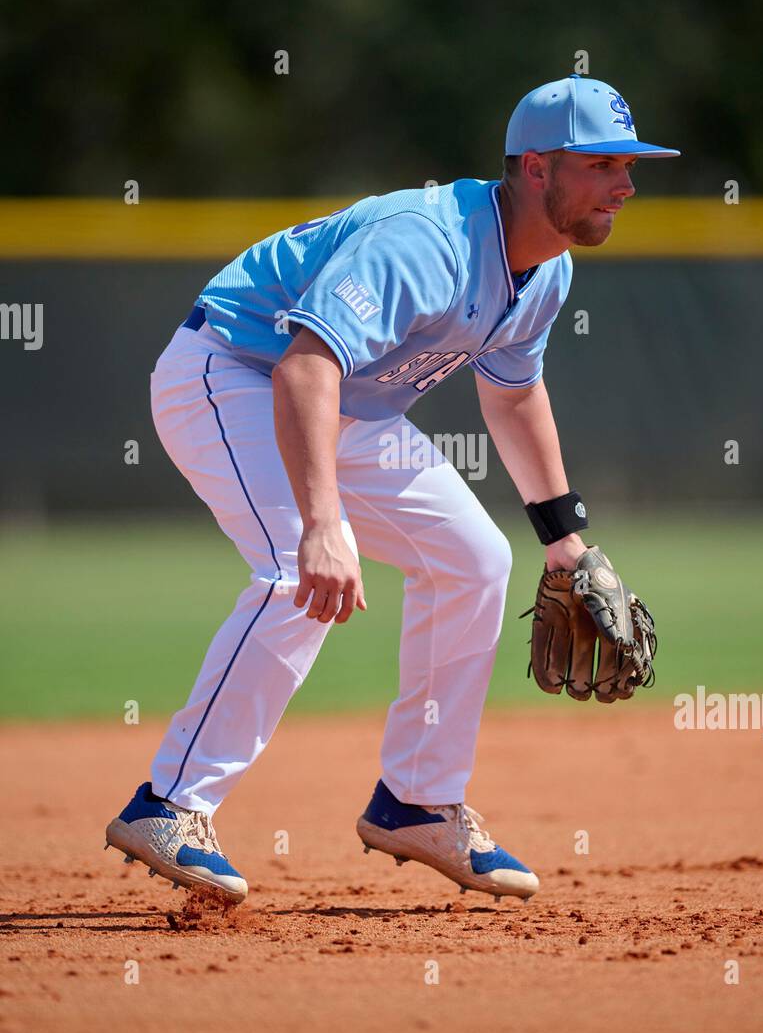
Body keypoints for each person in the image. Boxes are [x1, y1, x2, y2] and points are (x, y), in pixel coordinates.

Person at [104, 75, 679, 906]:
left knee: (475, 560)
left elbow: (513, 396)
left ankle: (417, 800)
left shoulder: (546, 272)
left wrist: (566, 540)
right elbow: (306, 362)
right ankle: (169, 804)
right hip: (231, 372)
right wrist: (322, 521)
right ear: (537, 169)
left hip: (346, 408)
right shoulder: (425, 240)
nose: (626, 184)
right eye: (603, 164)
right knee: (294, 576)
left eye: (630, 164)